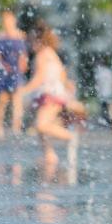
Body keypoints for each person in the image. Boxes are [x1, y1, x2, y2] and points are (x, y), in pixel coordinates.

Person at [12, 20, 80, 173]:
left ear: (38, 40)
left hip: (51, 95)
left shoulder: (42, 55)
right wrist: (67, 86)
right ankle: (49, 155)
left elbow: (39, 78)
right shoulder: (52, 54)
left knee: (41, 125)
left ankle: (70, 136)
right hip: (52, 94)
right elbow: (62, 74)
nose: (29, 44)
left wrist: (23, 90)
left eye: (31, 40)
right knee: (41, 128)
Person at [0, 11, 28, 138]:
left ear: (14, 21)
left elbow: (23, 54)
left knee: (17, 101)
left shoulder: (20, 36)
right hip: (3, 72)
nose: (7, 23)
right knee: (2, 100)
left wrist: (22, 66)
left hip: (16, 71)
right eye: (5, 21)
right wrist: (3, 65)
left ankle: (16, 128)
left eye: (9, 20)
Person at [94, 62, 112, 127]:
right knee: (107, 107)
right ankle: (109, 120)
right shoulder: (109, 72)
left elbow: (98, 83)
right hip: (109, 92)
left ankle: (107, 120)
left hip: (103, 93)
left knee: (104, 108)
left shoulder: (99, 72)